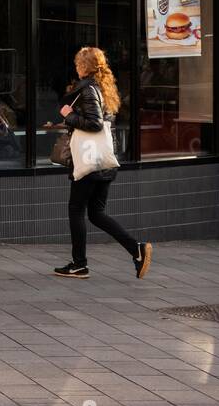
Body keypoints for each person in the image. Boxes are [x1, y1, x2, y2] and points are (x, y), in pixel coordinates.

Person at [54, 47, 152, 279]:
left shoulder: (88, 89)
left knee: (76, 209)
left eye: (78, 63)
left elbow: (95, 124)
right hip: (105, 161)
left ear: (85, 66)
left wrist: (68, 115)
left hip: (91, 161)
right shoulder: (105, 88)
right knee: (97, 213)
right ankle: (136, 249)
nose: (76, 67)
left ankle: (79, 264)